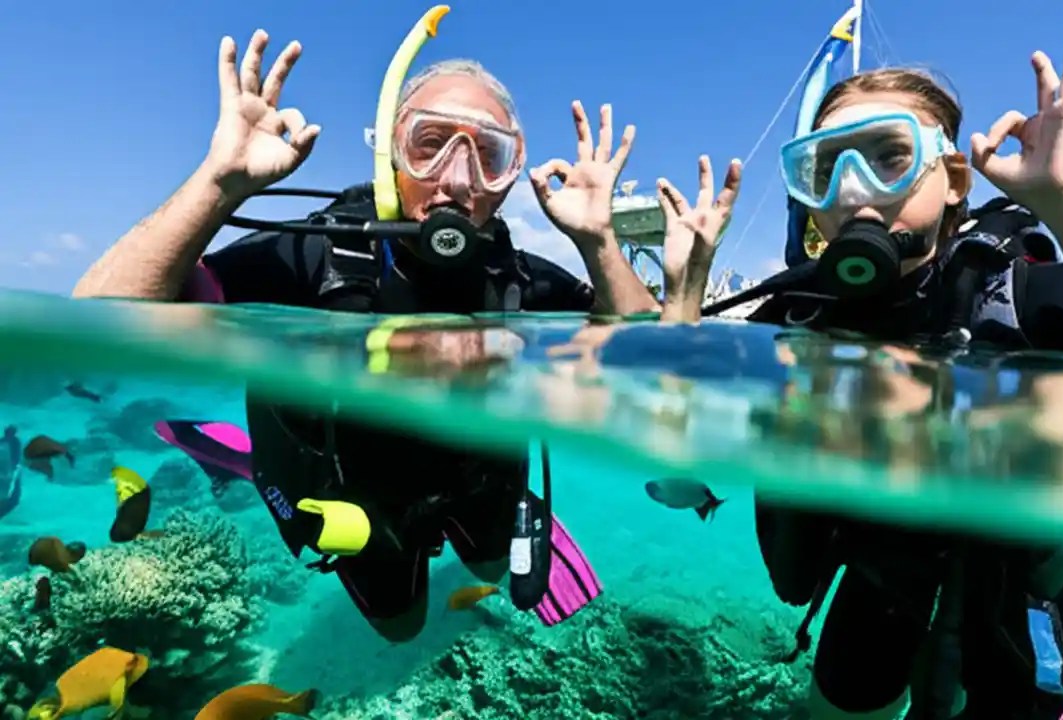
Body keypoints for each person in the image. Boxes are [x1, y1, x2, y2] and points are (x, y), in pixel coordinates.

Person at [658, 32, 1063, 720]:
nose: (855, 187)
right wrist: (685, 291)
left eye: (890, 157)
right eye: (827, 165)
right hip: (888, 575)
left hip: (1034, 584)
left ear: (953, 180)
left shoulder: (1018, 286)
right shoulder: (799, 318)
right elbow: (676, 484)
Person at [73, 27, 655, 641]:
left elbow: (649, 358)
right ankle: (252, 463)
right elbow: (97, 321)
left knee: (488, 564)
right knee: (400, 627)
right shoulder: (314, 256)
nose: (456, 178)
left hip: (479, 478)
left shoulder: (522, 280)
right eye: (429, 144)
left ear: (510, 178)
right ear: (390, 155)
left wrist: (599, 243)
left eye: (489, 155)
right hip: (358, 502)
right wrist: (218, 183)